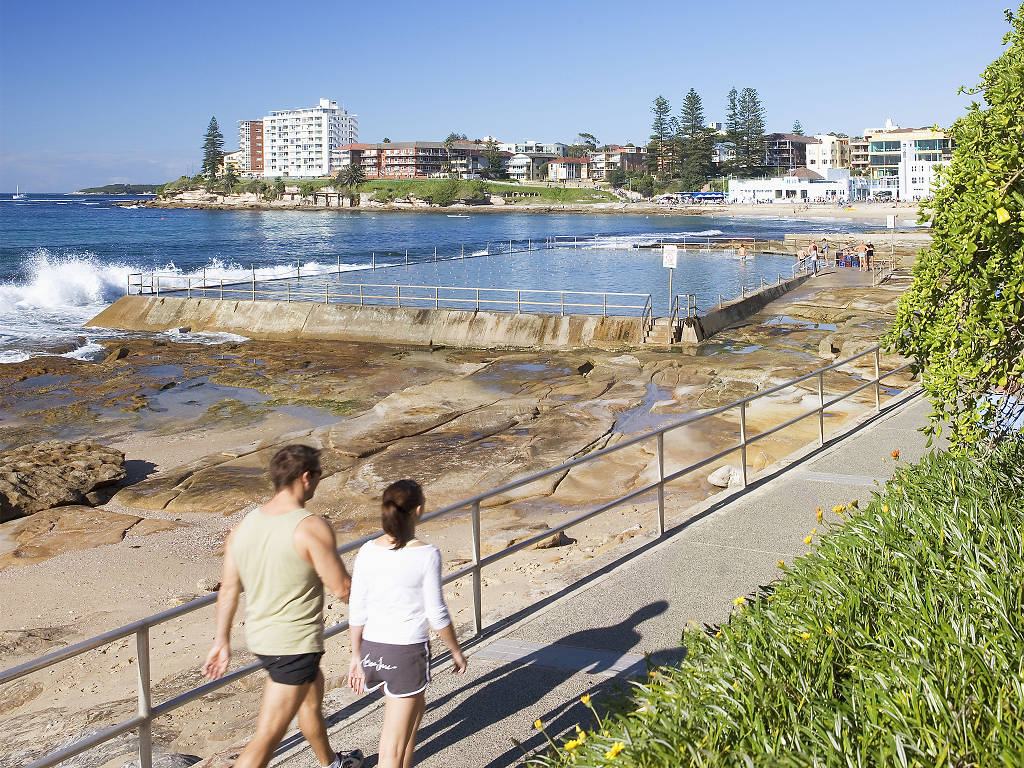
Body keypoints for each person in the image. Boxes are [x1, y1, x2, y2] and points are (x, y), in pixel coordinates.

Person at [203, 445, 362, 768]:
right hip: (293, 645)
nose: (318, 482)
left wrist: (222, 641)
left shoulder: (243, 526)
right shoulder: (309, 526)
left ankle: (330, 762)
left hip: (262, 638)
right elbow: (342, 588)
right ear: (305, 478)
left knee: (309, 703)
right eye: (318, 476)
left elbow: (229, 589)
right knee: (268, 735)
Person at [348, 480, 467, 768]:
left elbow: (357, 607)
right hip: (405, 654)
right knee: (390, 749)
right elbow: (436, 612)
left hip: (372, 650)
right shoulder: (425, 554)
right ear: (418, 510)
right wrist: (455, 650)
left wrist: (355, 655)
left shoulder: (367, 551)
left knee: (415, 708)